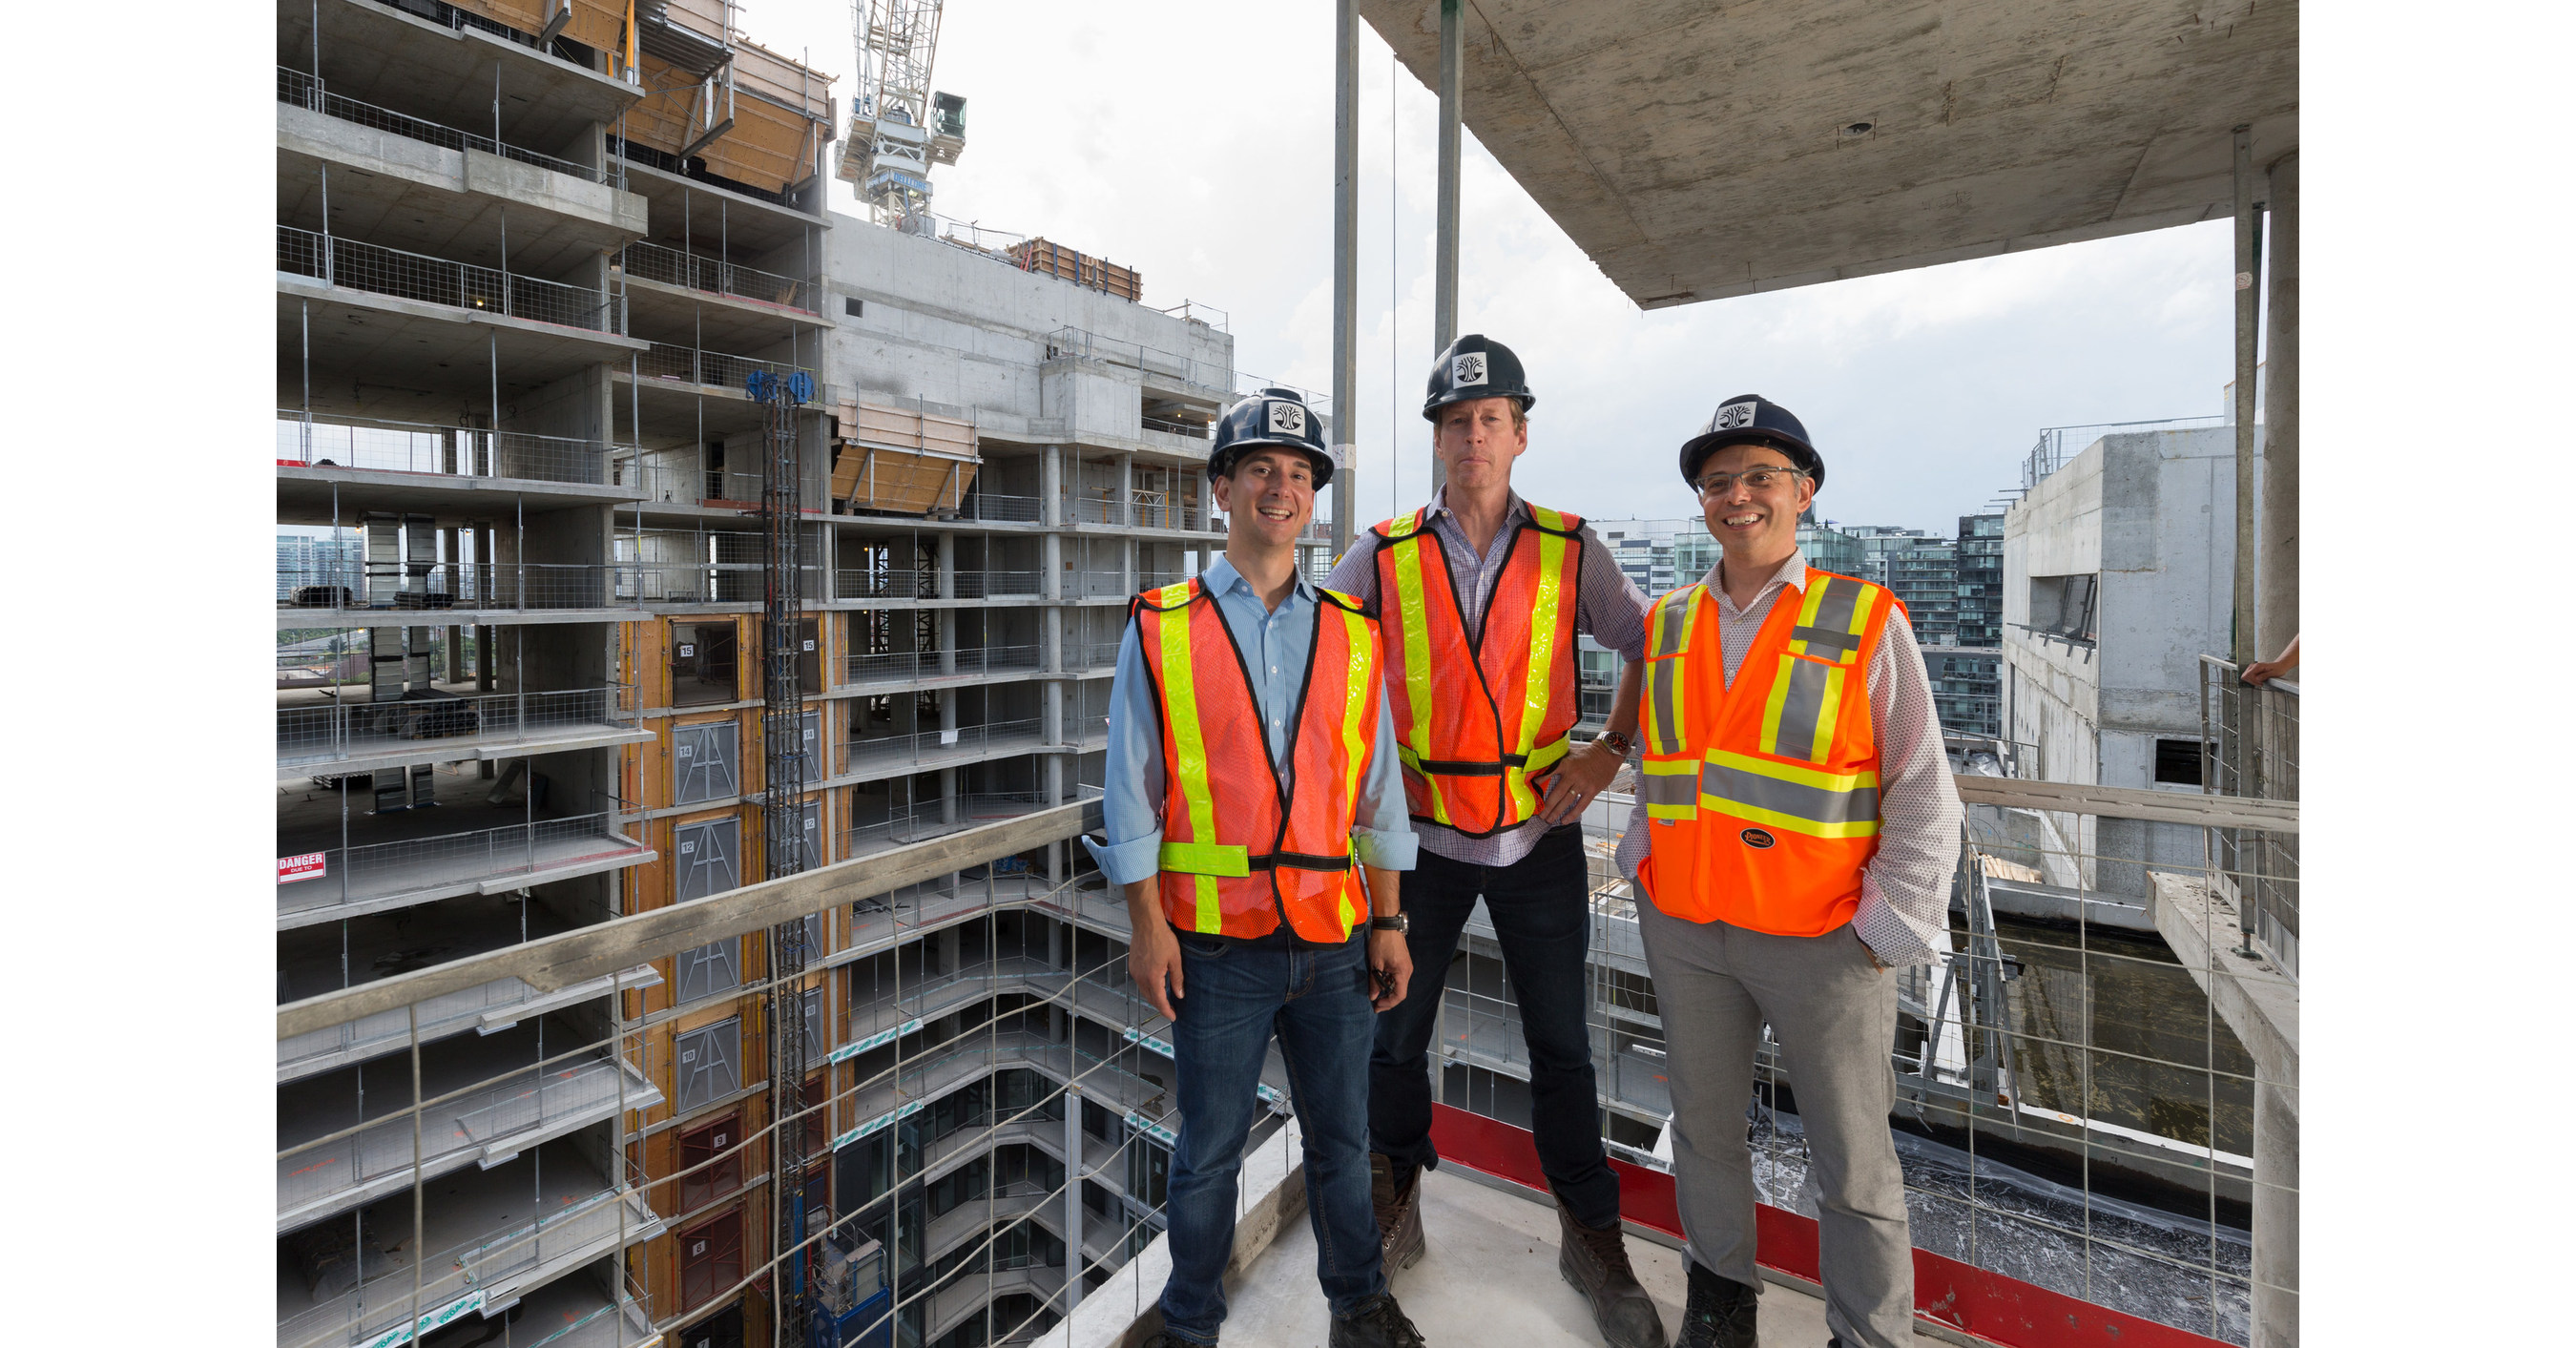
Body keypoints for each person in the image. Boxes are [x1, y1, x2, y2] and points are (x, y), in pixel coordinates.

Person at [1322, 336, 1662, 1348]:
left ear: (1519, 433)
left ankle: (1590, 1233)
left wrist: (1611, 748)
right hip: (1417, 847)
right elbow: (1316, 656)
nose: (1472, 436)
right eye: (1454, 422)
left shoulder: (1569, 547)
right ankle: (1398, 1204)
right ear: (1435, 440)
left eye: (1489, 420)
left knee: (1564, 1048)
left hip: (1540, 844)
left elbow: (1645, 642)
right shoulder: (1383, 555)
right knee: (1392, 1040)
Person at [1086, 388, 1428, 1348]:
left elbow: (1378, 793)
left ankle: (1357, 1305)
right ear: (1223, 491)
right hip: (1216, 943)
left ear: (1312, 499)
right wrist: (1146, 925)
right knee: (1205, 1157)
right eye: (1261, 470)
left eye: (1299, 474)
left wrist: (1391, 921)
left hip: (1333, 938)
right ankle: (1190, 1322)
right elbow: (1132, 787)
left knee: (1343, 1140)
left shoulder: (1354, 633)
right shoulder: (1160, 625)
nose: (1281, 488)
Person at [1623, 395, 1963, 1348]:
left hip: (1824, 942)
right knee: (1704, 1133)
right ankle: (1722, 1303)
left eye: (1761, 477)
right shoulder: (1670, 621)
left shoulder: (1863, 618)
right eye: (1719, 481)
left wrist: (1886, 929)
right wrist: (1639, 858)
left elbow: (1925, 789)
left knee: (1851, 1164)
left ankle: (1868, 1335)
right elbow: (1663, 761)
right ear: (1703, 503)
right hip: (1689, 929)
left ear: (1803, 492)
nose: (1739, 497)